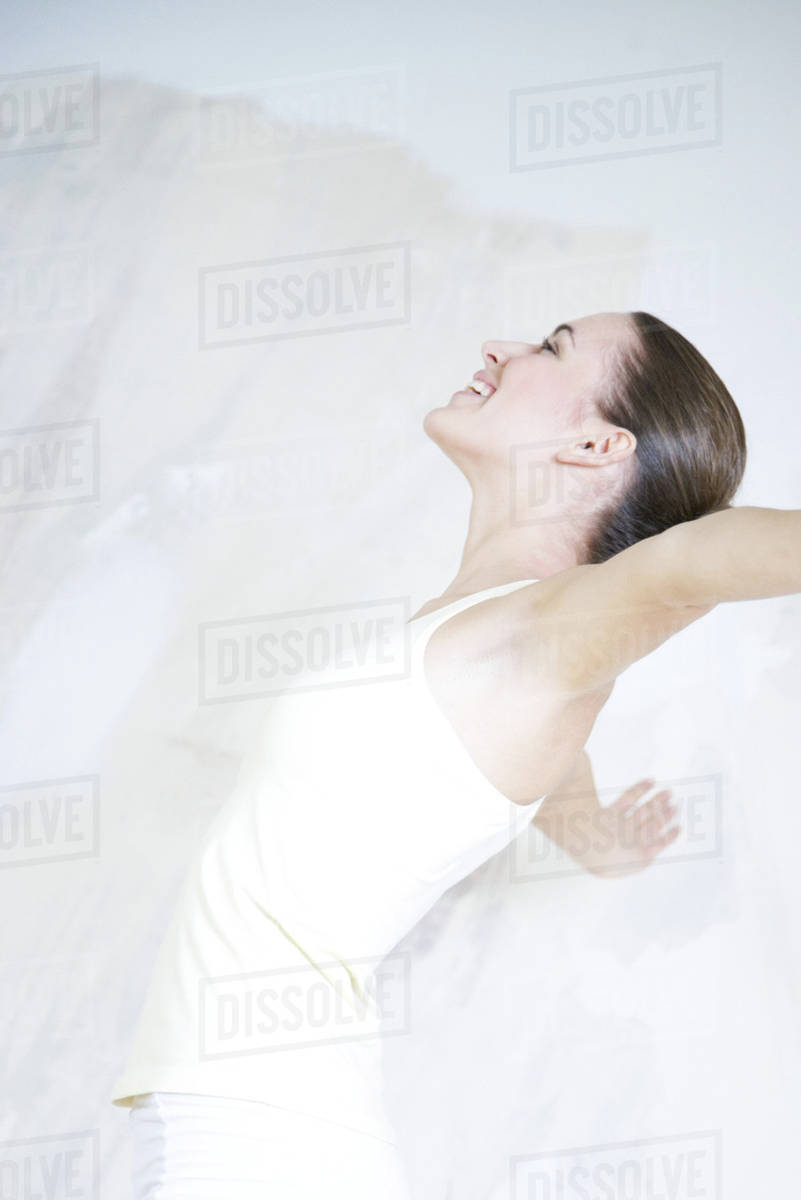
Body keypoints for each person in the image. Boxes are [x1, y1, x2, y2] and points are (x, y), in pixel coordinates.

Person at [111, 310, 798, 1199]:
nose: (498, 349)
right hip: (249, 1123)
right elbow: (538, 757)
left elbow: (686, 563)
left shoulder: (539, 639)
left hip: (262, 1135)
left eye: (552, 347)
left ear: (596, 444)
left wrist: (591, 834)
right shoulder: (505, 644)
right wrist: (594, 837)